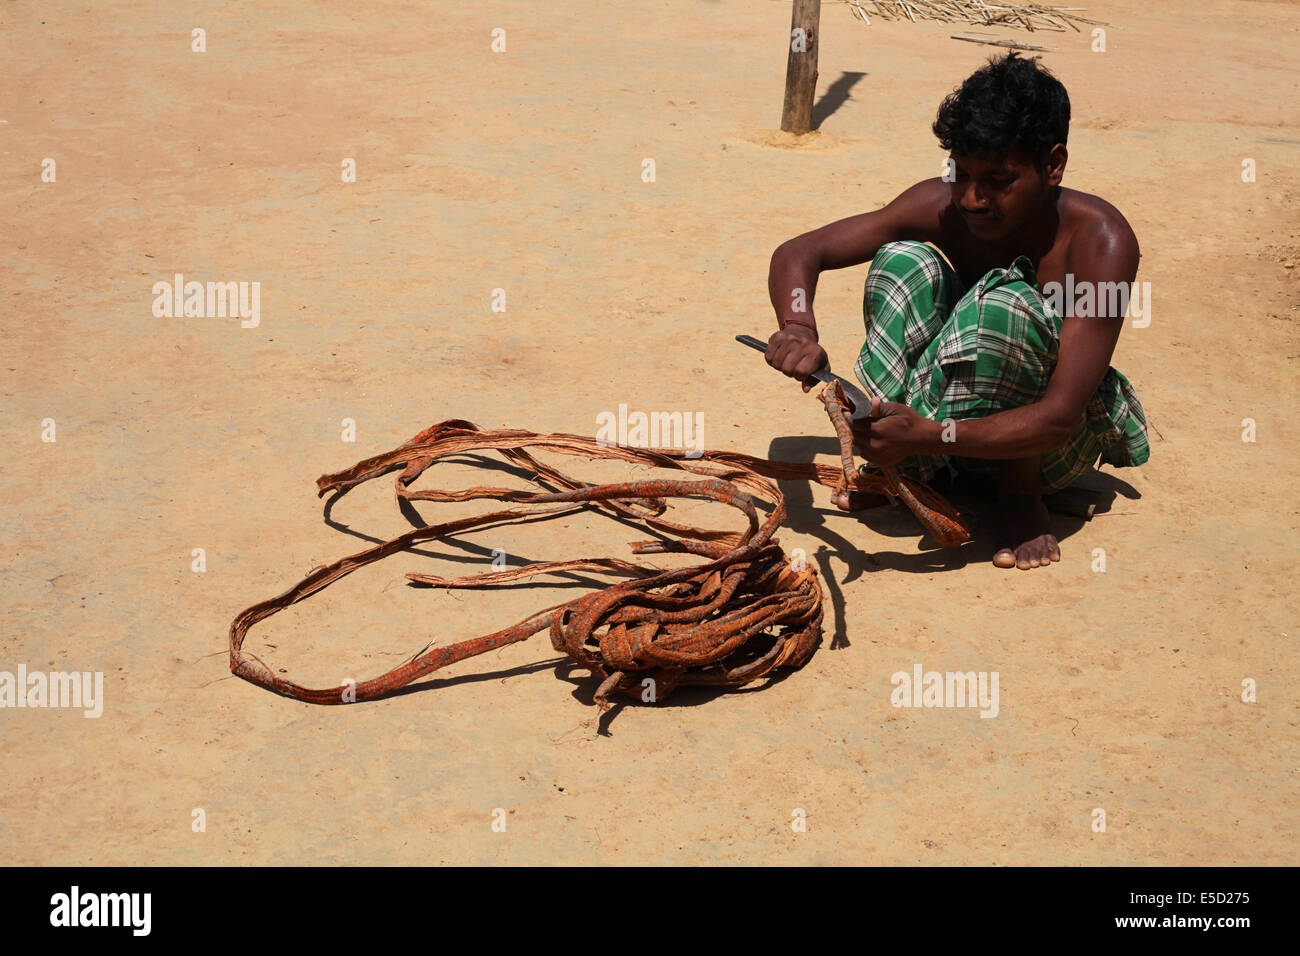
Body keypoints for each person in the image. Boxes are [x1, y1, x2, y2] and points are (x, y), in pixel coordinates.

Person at [764, 53, 1148, 571]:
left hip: (1041, 444)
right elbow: (799, 251)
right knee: (904, 260)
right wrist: (797, 325)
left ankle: (1017, 495)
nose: (972, 198)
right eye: (962, 173)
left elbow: (1058, 418)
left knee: (1006, 304)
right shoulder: (941, 207)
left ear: (1053, 165)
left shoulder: (1100, 242)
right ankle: (909, 472)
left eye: (997, 179)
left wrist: (931, 434)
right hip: (929, 430)